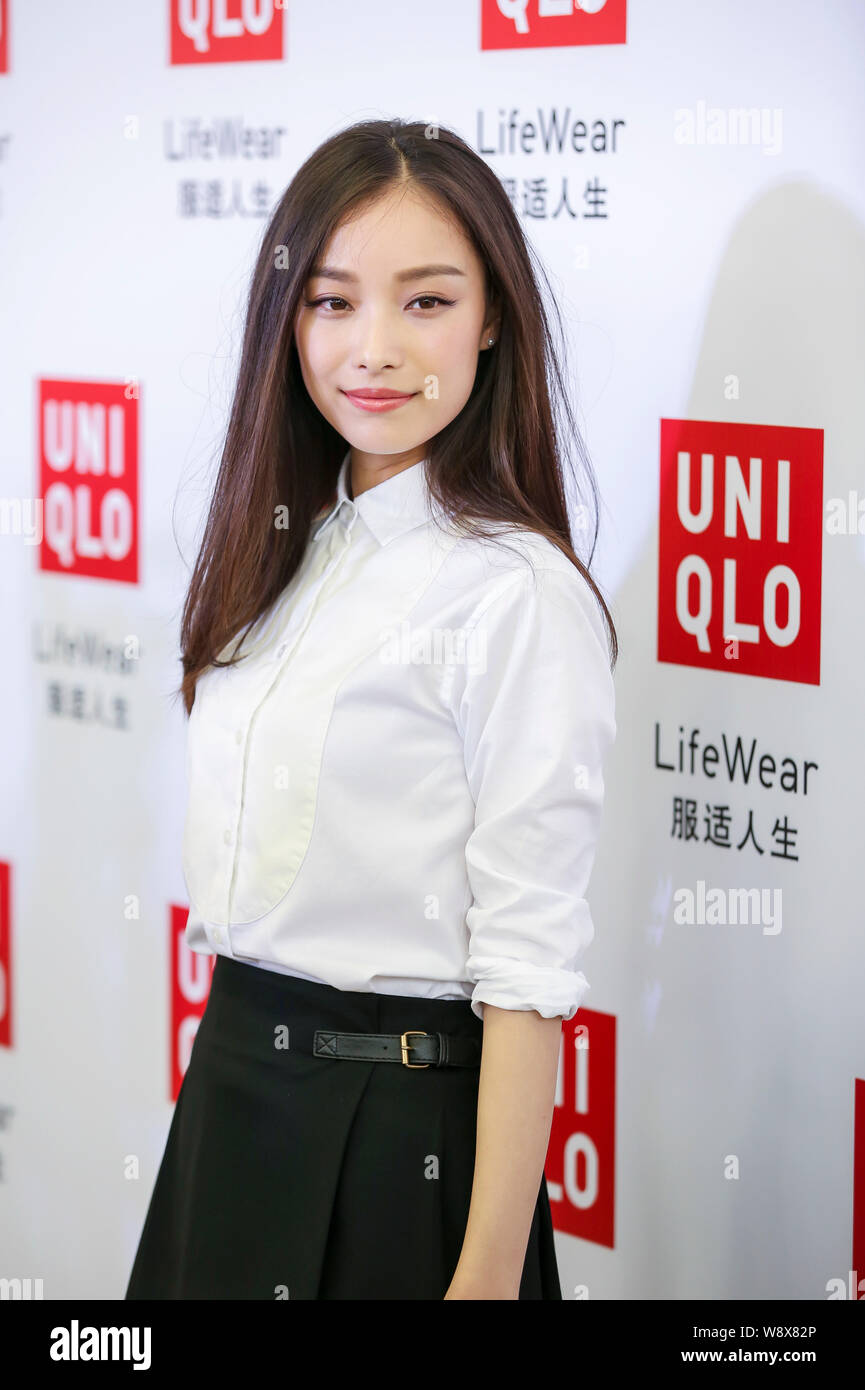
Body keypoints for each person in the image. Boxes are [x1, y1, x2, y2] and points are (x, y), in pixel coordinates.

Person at [125, 117, 618, 1302]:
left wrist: (486, 1276)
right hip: (232, 1091)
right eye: (332, 302)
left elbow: (526, 973)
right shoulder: (279, 546)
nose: (373, 348)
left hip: (397, 1135)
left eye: (426, 300)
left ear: (493, 316)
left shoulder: (517, 593)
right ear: (286, 320)